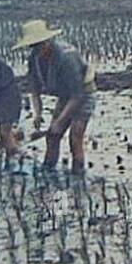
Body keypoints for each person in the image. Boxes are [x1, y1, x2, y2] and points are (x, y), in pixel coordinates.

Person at [13, 20, 95, 174]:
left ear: (47, 41)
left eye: (40, 45)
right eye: (33, 46)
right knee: (52, 135)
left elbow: (77, 96)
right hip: (65, 96)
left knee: (75, 137)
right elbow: (34, 89)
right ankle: (48, 171)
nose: (37, 50)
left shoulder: (66, 58)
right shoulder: (34, 59)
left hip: (82, 94)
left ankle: (78, 175)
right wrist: (37, 115)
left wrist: (60, 121)